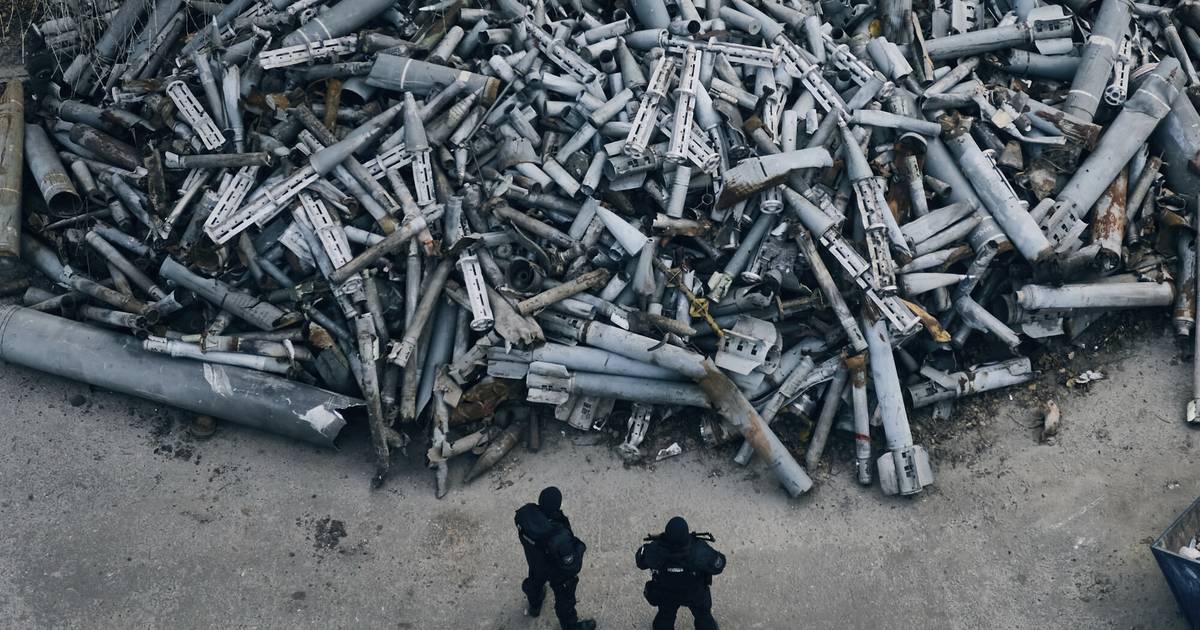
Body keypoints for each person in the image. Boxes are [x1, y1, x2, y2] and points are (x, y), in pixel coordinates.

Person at [514, 486, 596, 630]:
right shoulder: (558, 536)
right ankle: (570, 626)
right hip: (555, 570)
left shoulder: (525, 515)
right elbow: (572, 566)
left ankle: (535, 604)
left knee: (535, 580)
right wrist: (579, 546)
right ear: (557, 507)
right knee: (565, 596)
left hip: (535, 561)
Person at [635, 516, 725, 630]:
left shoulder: (655, 549)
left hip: (666, 592)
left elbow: (640, 562)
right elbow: (719, 565)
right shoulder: (698, 550)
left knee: (665, 617)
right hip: (695, 593)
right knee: (703, 616)